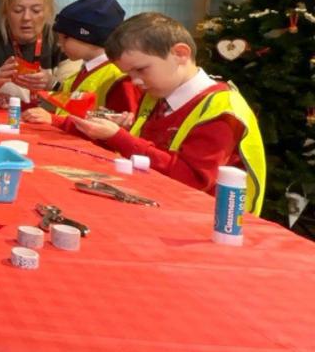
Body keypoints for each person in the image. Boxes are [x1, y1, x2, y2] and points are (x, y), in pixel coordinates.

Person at [71, 12, 266, 215]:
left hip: (201, 221)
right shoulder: (158, 95)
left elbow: (191, 180)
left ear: (180, 54)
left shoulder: (222, 111)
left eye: (141, 70)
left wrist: (119, 138)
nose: (135, 81)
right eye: (129, 74)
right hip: (156, 204)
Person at [23, 0, 140, 129]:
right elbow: (66, 111)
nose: (59, 43)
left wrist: (53, 119)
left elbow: (119, 130)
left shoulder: (119, 78)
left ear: (88, 37)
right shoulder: (82, 72)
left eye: (65, 37)